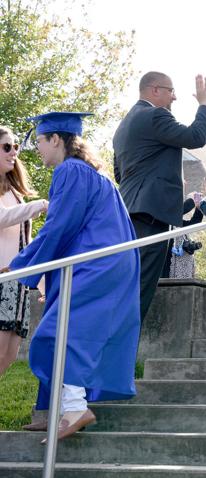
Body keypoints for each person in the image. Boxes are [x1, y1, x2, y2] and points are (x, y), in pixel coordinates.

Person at [10, 112, 140, 440]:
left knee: (59, 333)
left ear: (57, 139)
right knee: (68, 329)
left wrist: (21, 263)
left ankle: (74, 407)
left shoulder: (70, 170)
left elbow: (60, 225)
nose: (36, 148)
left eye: (39, 141)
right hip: (104, 262)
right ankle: (51, 411)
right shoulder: (94, 174)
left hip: (94, 264)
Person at [113, 72, 206, 327]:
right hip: (150, 216)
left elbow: (119, 173)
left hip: (129, 214)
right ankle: (120, 354)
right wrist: (204, 104)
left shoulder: (124, 125)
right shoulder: (155, 115)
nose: (175, 97)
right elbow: (195, 137)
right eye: (171, 91)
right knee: (141, 290)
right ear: (154, 90)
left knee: (128, 286)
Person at [0, 126, 47, 376]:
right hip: (1, 280)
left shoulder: (14, 193)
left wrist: (41, 284)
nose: (13, 152)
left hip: (16, 284)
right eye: (6, 146)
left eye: (15, 146)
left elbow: (24, 246)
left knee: (8, 355)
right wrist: (39, 206)